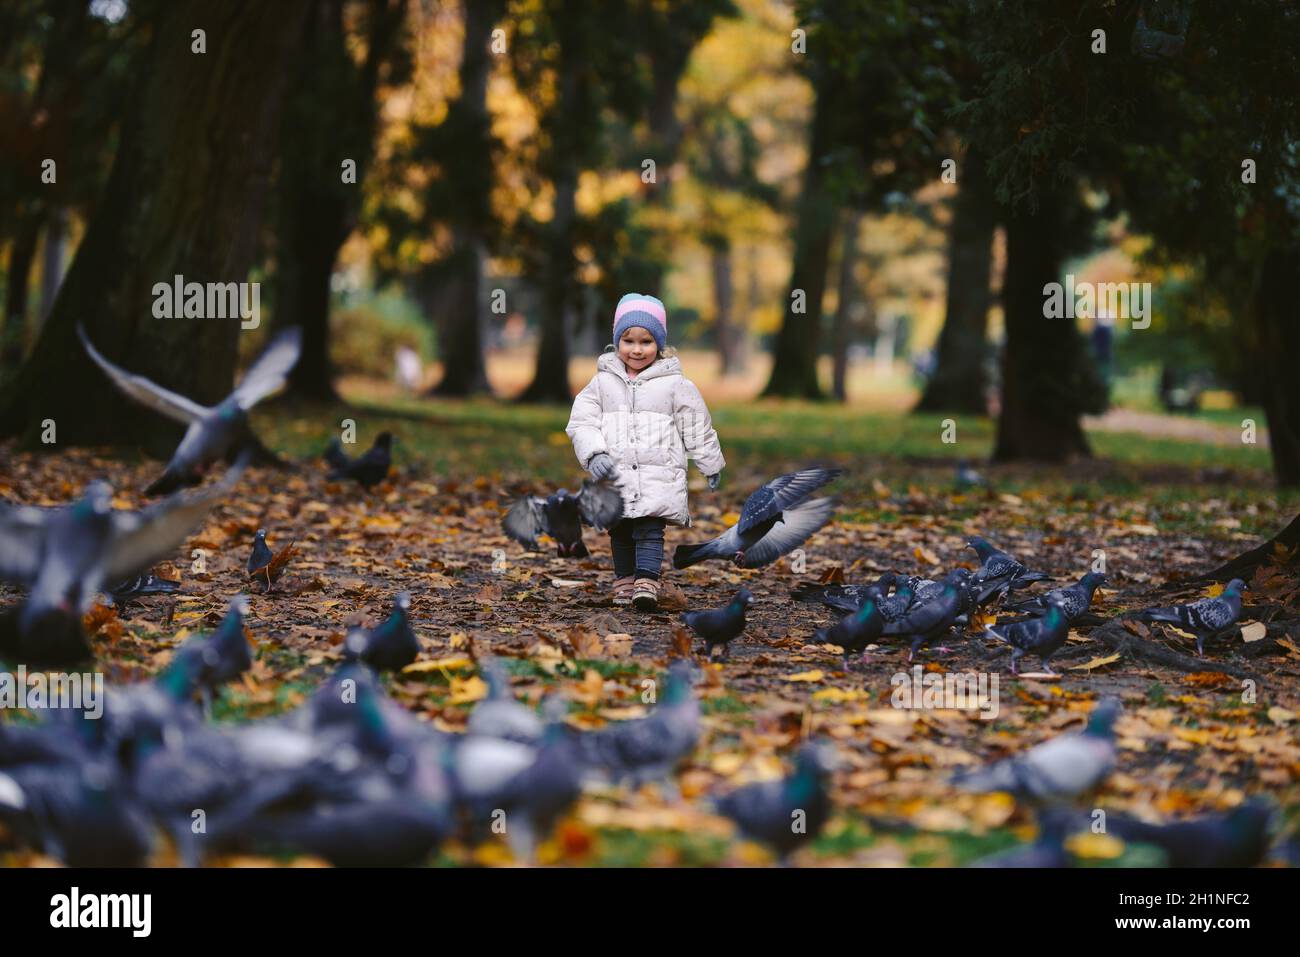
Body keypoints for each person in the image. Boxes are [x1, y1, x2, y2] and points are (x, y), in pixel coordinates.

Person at [565, 293, 725, 611]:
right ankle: (624, 582)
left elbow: (696, 424)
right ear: (617, 341)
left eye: (646, 341)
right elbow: (581, 423)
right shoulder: (601, 384)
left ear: (660, 344)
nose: (637, 349)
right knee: (620, 528)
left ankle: (647, 582)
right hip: (616, 475)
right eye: (629, 340)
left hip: (658, 474)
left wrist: (710, 462)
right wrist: (595, 454)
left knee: (650, 528)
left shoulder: (675, 384)